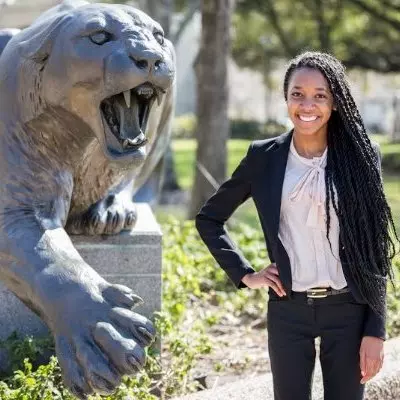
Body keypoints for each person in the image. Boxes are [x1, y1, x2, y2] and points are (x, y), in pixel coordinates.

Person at [195, 51, 398, 400]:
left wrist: (376, 330)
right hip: (288, 310)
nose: (308, 104)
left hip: (348, 309)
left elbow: (376, 247)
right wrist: (246, 274)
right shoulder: (265, 157)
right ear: (286, 98)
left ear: (335, 102)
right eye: (297, 94)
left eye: (320, 95)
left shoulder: (362, 156)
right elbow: (209, 219)